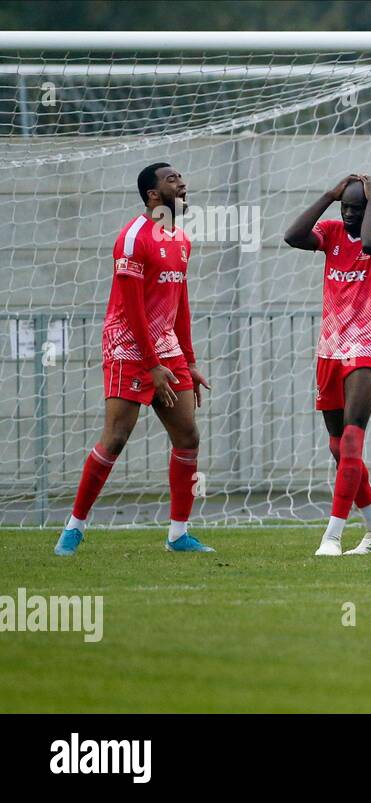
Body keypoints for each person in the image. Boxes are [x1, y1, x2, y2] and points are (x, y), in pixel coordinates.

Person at [54, 162, 214, 556]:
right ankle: (73, 528)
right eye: (173, 179)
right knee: (116, 439)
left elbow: (180, 303)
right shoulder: (132, 238)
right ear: (153, 194)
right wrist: (151, 364)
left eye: (181, 176)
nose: (182, 183)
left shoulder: (180, 239)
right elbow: (130, 307)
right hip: (129, 346)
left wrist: (187, 360)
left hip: (167, 349)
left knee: (188, 437)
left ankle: (178, 535)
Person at [284, 174, 371, 556]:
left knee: (352, 439)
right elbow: (292, 236)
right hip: (330, 349)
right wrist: (327, 195)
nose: (349, 214)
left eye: (357, 207)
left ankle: (332, 536)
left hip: (367, 347)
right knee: (339, 448)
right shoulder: (332, 233)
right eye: (345, 207)